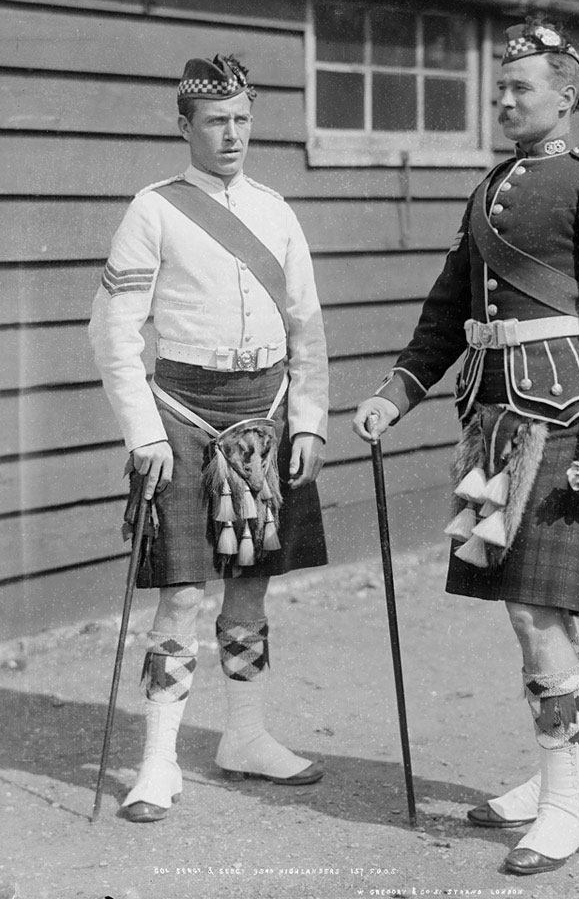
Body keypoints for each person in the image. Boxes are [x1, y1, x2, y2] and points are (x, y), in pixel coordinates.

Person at [353, 18, 579, 875]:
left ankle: (562, 805)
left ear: (566, 92)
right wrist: (394, 394)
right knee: (531, 611)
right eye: (501, 86)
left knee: (536, 609)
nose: (504, 98)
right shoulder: (488, 190)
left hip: (563, 421)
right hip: (491, 423)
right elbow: (447, 312)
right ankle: (563, 778)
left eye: (520, 86)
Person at [88, 53, 329, 823]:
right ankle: (157, 763)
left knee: (251, 585)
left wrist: (311, 419)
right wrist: (142, 433)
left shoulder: (277, 210)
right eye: (216, 122)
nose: (232, 135)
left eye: (242, 120)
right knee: (184, 593)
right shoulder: (154, 209)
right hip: (182, 416)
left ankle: (246, 737)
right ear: (184, 126)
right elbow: (112, 331)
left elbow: (307, 328)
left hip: (267, 411)